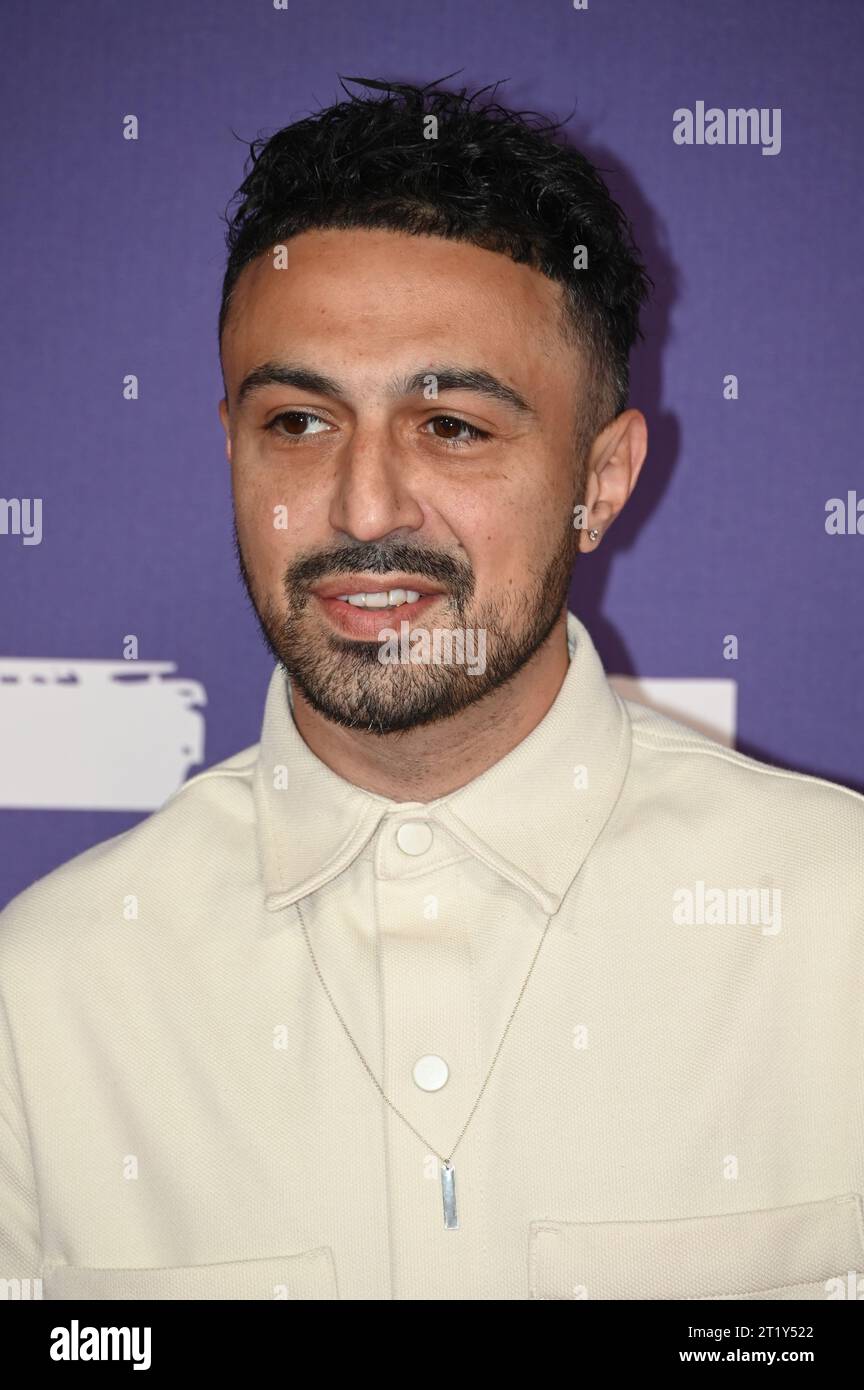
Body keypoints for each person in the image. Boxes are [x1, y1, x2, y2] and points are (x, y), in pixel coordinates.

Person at [1, 76, 862, 1303]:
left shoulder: (840, 934)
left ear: (603, 479)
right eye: (298, 421)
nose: (363, 509)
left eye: (452, 426)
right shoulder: (42, 998)